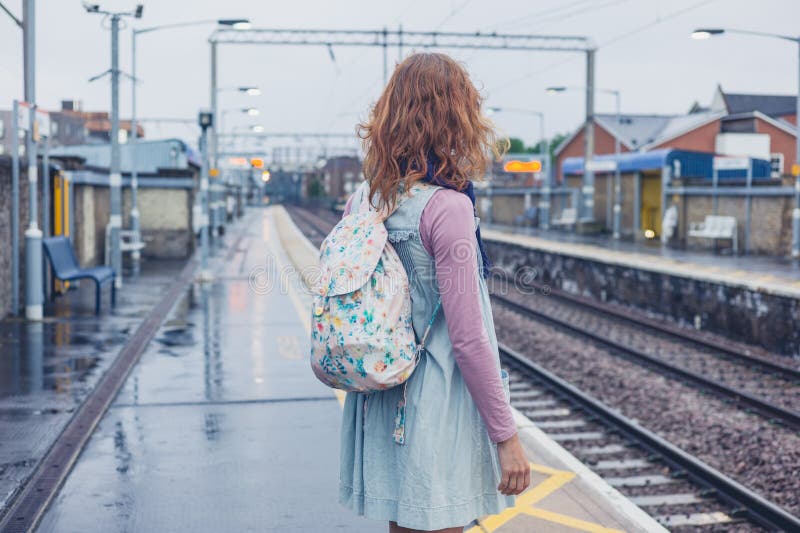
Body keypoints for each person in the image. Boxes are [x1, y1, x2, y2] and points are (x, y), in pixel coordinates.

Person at [338, 52, 530, 533]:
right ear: (456, 118)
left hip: (380, 393)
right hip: (433, 404)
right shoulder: (448, 208)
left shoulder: (365, 199)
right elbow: (468, 338)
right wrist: (505, 435)